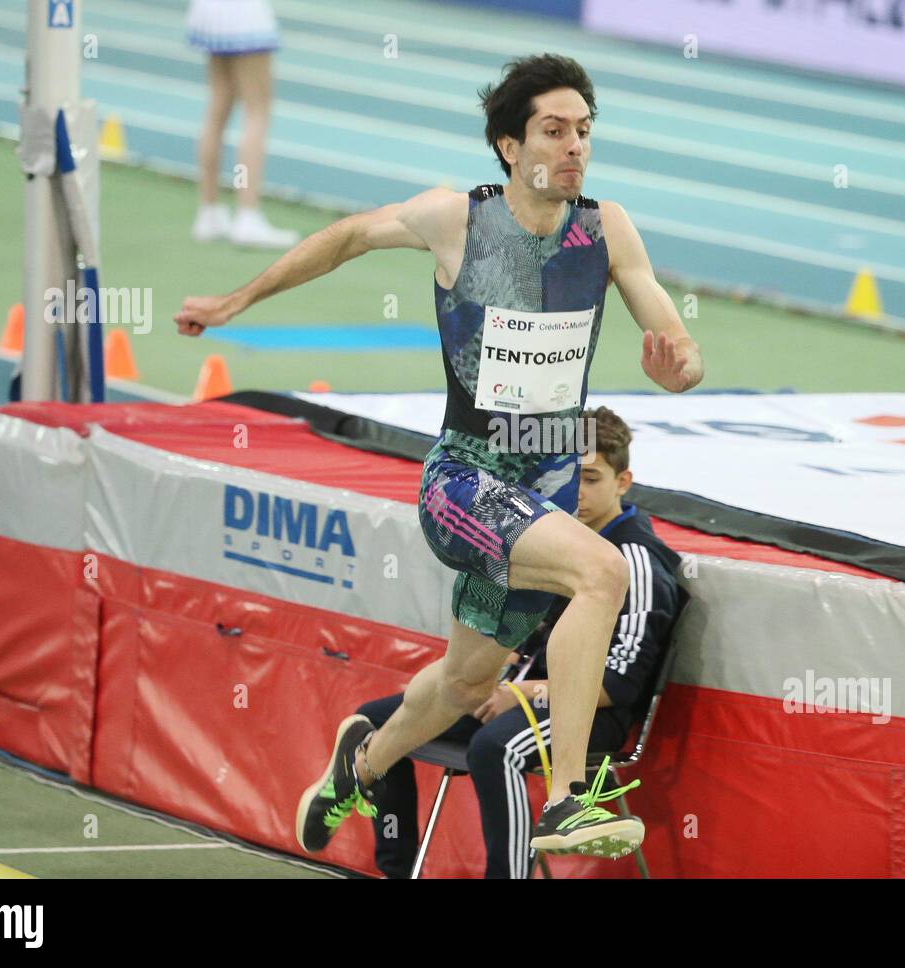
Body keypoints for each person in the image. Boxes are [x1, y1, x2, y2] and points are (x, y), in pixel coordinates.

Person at [174, 54, 704, 860]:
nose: (574, 149)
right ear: (508, 146)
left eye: (584, 133)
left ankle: (359, 765)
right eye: (553, 132)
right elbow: (347, 238)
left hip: (547, 490)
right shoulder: (456, 220)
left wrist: (680, 370)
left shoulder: (606, 229)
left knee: (466, 684)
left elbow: (676, 339)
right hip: (465, 482)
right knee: (602, 573)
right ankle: (565, 799)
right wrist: (233, 301)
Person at [358, 406, 685, 877]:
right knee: (378, 717)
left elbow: (624, 684)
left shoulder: (632, 559)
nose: (581, 492)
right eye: (575, 477)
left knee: (498, 748)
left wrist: (522, 692)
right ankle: (394, 869)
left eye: (592, 478)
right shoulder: (539, 537)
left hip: (594, 712)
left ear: (623, 482)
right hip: (514, 695)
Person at [185, 0, 301, 248]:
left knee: (219, 103)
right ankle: (247, 214)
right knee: (257, 110)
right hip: (242, 13)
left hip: (208, 10)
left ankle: (209, 211)